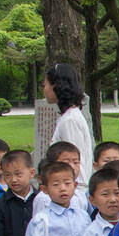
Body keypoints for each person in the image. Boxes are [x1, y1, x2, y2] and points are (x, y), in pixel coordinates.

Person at [46, 63, 93, 192]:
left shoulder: (70, 121)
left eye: (46, 85)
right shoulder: (67, 117)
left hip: (75, 191)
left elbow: (74, 161)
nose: (44, 89)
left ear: (56, 86)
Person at [32, 142, 89, 217]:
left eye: (76, 162)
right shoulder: (43, 198)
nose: (72, 166)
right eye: (66, 162)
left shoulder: (80, 195)